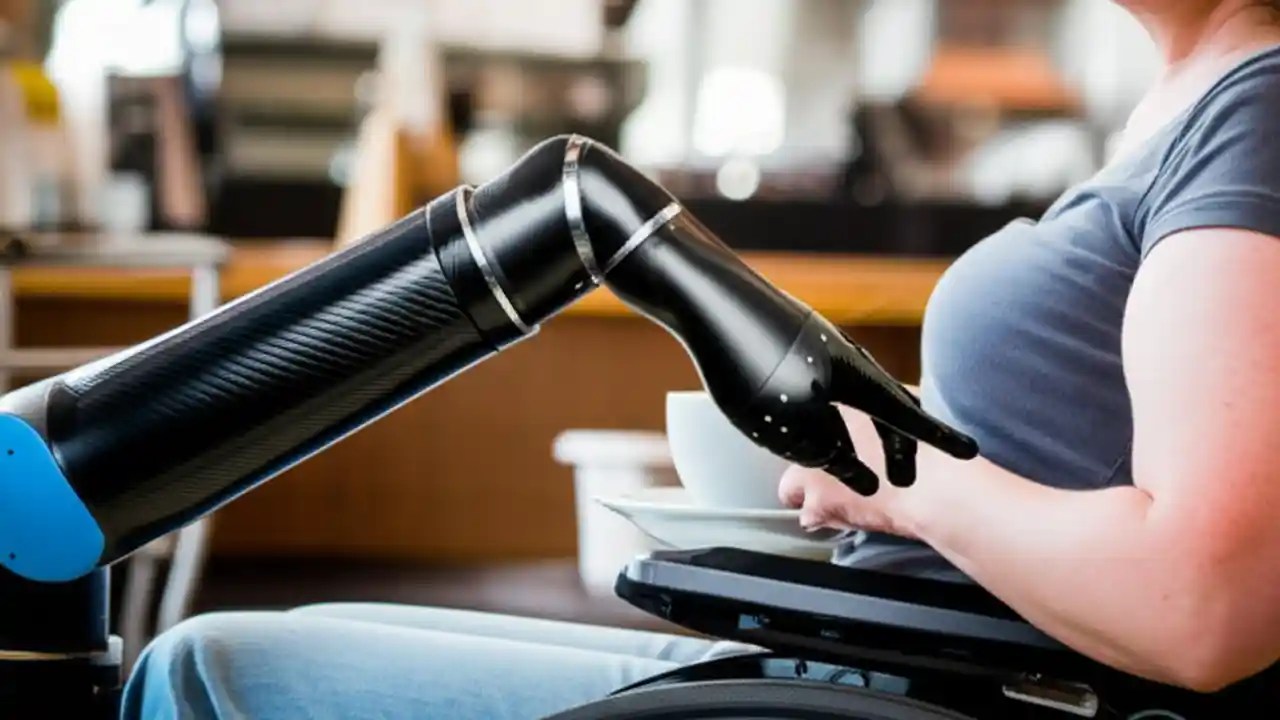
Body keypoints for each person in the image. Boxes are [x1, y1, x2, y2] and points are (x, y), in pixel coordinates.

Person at [124, 1, 1280, 717]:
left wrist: (897, 481)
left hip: (950, 699)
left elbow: (1203, 604)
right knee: (273, 639)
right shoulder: (1184, 112)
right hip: (905, 671)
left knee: (206, 672)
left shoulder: (1254, 115)